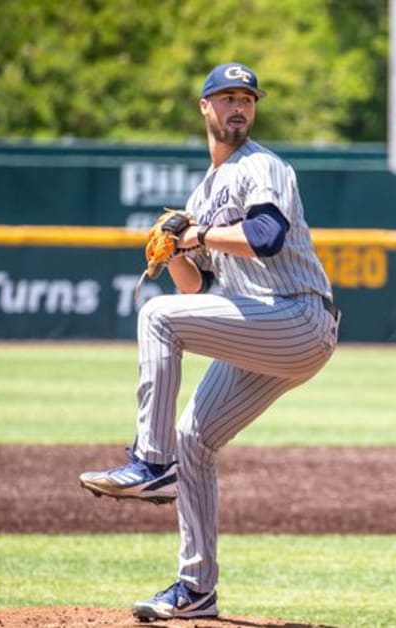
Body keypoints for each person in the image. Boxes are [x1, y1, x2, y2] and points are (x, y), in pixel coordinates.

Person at [79, 62, 339, 621]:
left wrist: (195, 233)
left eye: (247, 97)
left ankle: (150, 464)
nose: (238, 107)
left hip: (298, 316)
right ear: (205, 108)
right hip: (262, 324)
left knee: (158, 320)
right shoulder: (204, 189)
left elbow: (267, 237)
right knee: (194, 438)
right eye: (227, 97)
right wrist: (176, 251)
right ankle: (196, 589)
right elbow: (204, 286)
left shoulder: (262, 165)